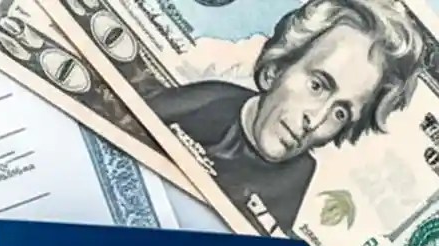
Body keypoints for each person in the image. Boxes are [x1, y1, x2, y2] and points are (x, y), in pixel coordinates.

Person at [149, 0, 424, 232]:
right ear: (276, 69)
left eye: (340, 113)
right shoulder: (205, 103)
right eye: (317, 85)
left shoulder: (298, 180)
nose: (315, 121)